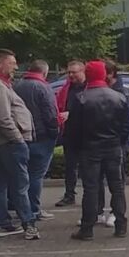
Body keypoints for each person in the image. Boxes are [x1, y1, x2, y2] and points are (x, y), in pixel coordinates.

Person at [0, 49, 39, 240]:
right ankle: (29, 224)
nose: (16, 67)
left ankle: (4, 224)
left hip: (2, 142)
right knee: (20, 184)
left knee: (0, 183)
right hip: (10, 143)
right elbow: (3, 118)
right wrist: (18, 139)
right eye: (12, 63)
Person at [67, 61, 129, 241]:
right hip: (113, 147)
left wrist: (78, 148)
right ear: (103, 74)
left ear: (87, 75)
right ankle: (120, 225)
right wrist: (119, 142)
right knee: (117, 187)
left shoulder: (80, 98)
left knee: (91, 188)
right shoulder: (119, 97)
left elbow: (73, 129)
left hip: (89, 148)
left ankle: (87, 228)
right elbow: (126, 126)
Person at [13, 60, 58, 222]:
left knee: (22, 175)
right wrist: (55, 133)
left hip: (21, 136)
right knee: (36, 175)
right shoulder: (44, 88)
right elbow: (50, 114)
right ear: (44, 73)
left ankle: (21, 208)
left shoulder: (17, 86)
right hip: (42, 137)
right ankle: (34, 209)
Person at [54, 60, 86, 207]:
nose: (71, 75)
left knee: (87, 167)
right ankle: (69, 195)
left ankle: (90, 194)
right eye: (69, 72)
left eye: (74, 72)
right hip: (70, 134)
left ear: (82, 72)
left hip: (86, 134)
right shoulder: (66, 89)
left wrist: (71, 114)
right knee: (70, 167)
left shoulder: (89, 88)